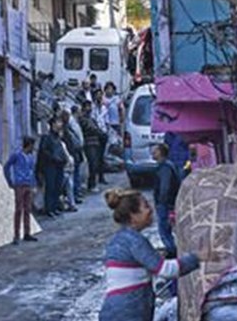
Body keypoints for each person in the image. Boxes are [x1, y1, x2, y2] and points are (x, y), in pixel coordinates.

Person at [99, 188, 201, 321]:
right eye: (146, 206)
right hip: (128, 312)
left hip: (117, 310)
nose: (150, 210)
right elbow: (165, 270)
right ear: (133, 216)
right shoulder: (134, 241)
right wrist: (198, 258)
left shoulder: (120, 240)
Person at [4, 138, 39, 244]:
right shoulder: (17, 155)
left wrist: (33, 184)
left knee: (27, 209)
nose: (33, 148)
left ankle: (27, 233)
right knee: (19, 210)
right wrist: (10, 180)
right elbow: (7, 166)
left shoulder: (31, 157)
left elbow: (32, 171)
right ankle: (16, 235)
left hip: (28, 184)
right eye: (32, 146)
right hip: (19, 185)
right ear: (28, 145)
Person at [152, 144, 181, 258]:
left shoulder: (165, 168)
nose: (153, 153)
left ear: (160, 152)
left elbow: (165, 187)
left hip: (166, 204)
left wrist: (162, 201)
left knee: (164, 229)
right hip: (167, 203)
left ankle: (172, 250)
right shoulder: (166, 166)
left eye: (155, 151)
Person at [38, 117, 69, 217]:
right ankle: (49, 208)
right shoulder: (47, 137)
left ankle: (55, 207)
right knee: (50, 187)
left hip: (59, 165)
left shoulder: (58, 137)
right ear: (53, 124)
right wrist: (53, 158)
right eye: (58, 122)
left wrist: (63, 159)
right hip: (50, 166)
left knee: (58, 187)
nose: (60, 124)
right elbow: (43, 151)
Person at [81, 100, 107, 192]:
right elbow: (91, 129)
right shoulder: (83, 119)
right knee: (92, 163)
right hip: (89, 143)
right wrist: (100, 133)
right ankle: (91, 184)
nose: (89, 108)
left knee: (96, 163)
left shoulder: (91, 119)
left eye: (90, 106)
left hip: (95, 142)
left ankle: (93, 183)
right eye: (87, 106)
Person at [62, 109, 86, 203]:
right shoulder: (65, 129)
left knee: (76, 176)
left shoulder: (71, 126)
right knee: (71, 179)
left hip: (75, 154)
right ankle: (73, 197)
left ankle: (76, 194)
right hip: (69, 155)